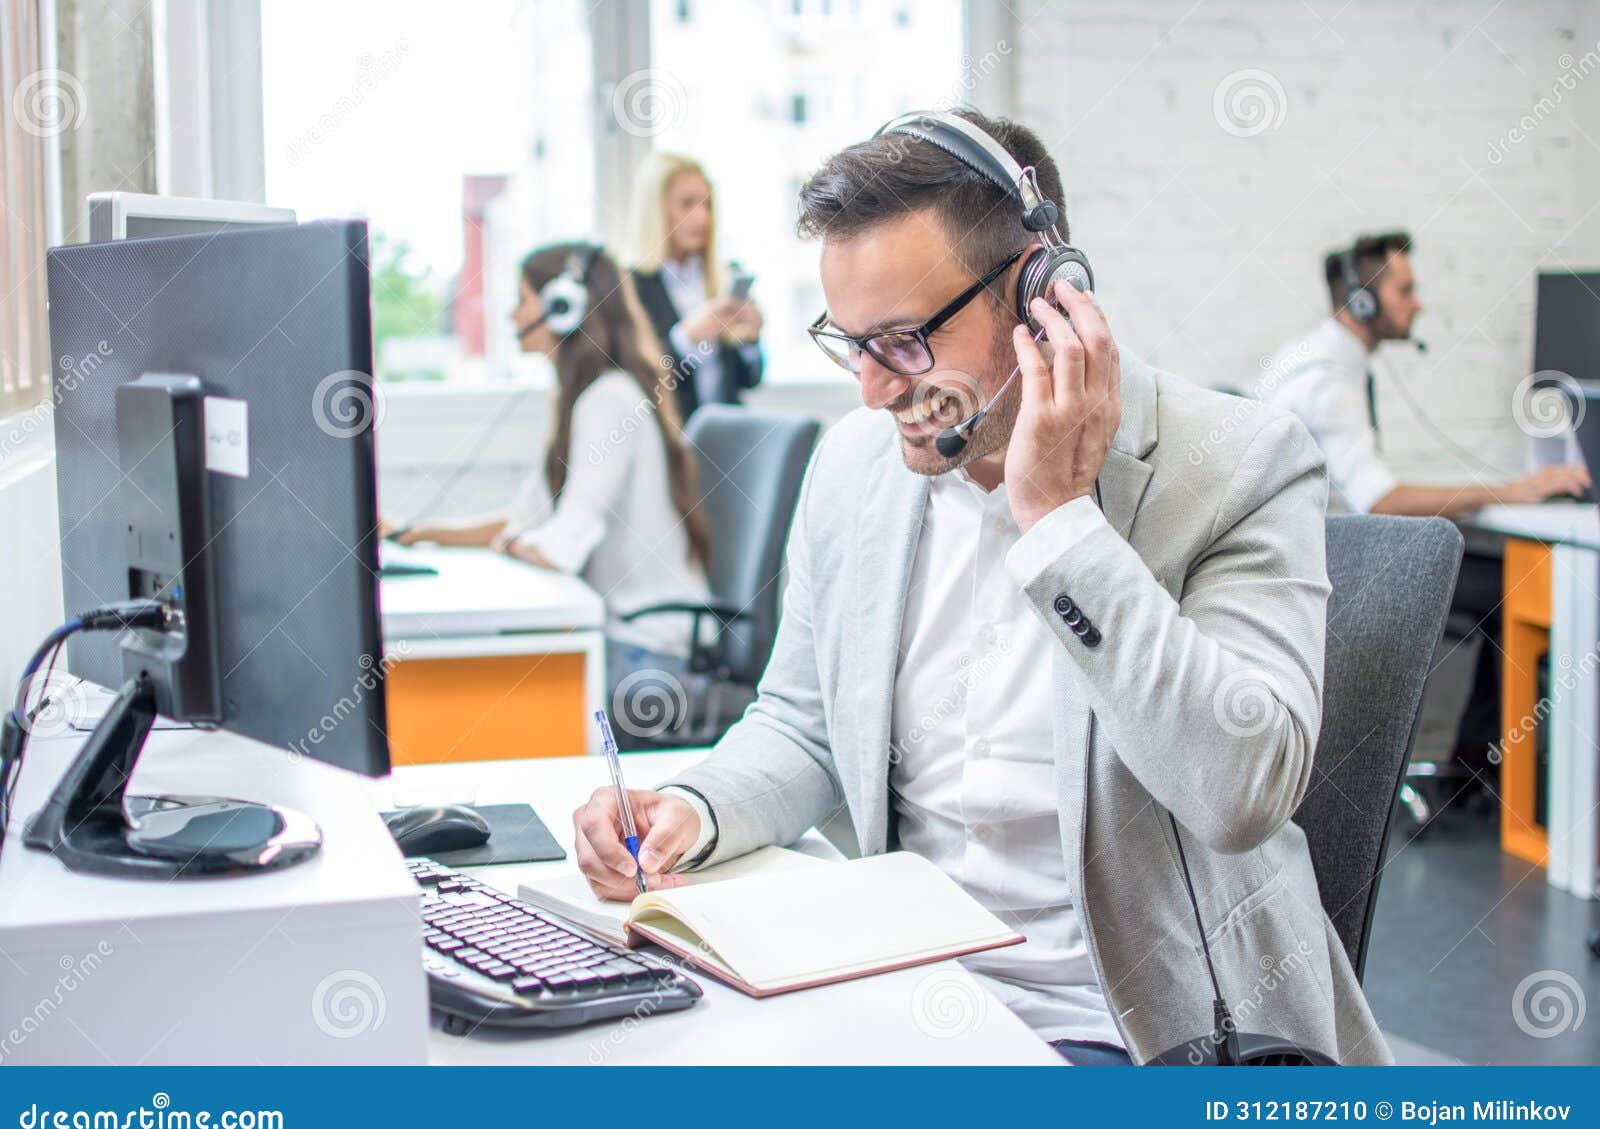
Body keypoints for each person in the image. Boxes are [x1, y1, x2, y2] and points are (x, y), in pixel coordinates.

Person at [571, 109, 1392, 1065]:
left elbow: (1241, 792)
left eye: (906, 341)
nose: (873, 392)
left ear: (1046, 296)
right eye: (849, 341)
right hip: (900, 994)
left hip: (1130, 1029)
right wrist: (696, 807)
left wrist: (1060, 524)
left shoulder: (1238, 466)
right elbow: (802, 722)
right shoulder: (852, 469)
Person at [1256, 233, 1590, 784]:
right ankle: (1478, 774)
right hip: (1332, 569)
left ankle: (1473, 771)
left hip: (1321, 556)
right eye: (1405, 290)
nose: (1418, 303)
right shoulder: (1327, 381)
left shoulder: (1318, 358)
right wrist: (1510, 490)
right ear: (1363, 301)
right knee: (1517, 585)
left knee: (1510, 582)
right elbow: (1380, 499)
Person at [389, 243, 712, 699]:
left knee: (489, 691)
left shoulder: (609, 399)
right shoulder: (583, 399)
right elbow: (525, 517)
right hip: (623, 641)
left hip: (649, 655)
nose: (511, 316)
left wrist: (514, 544)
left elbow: (564, 544)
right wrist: (416, 532)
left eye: (521, 300)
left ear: (563, 308)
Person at [626, 153, 763, 424]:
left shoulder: (724, 276)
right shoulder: (630, 285)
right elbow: (636, 379)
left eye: (706, 204)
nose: (702, 218)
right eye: (687, 204)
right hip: (672, 438)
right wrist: (685, 339)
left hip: (726, 435)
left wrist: (750, 339)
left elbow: (751, 378)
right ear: (655, 209)